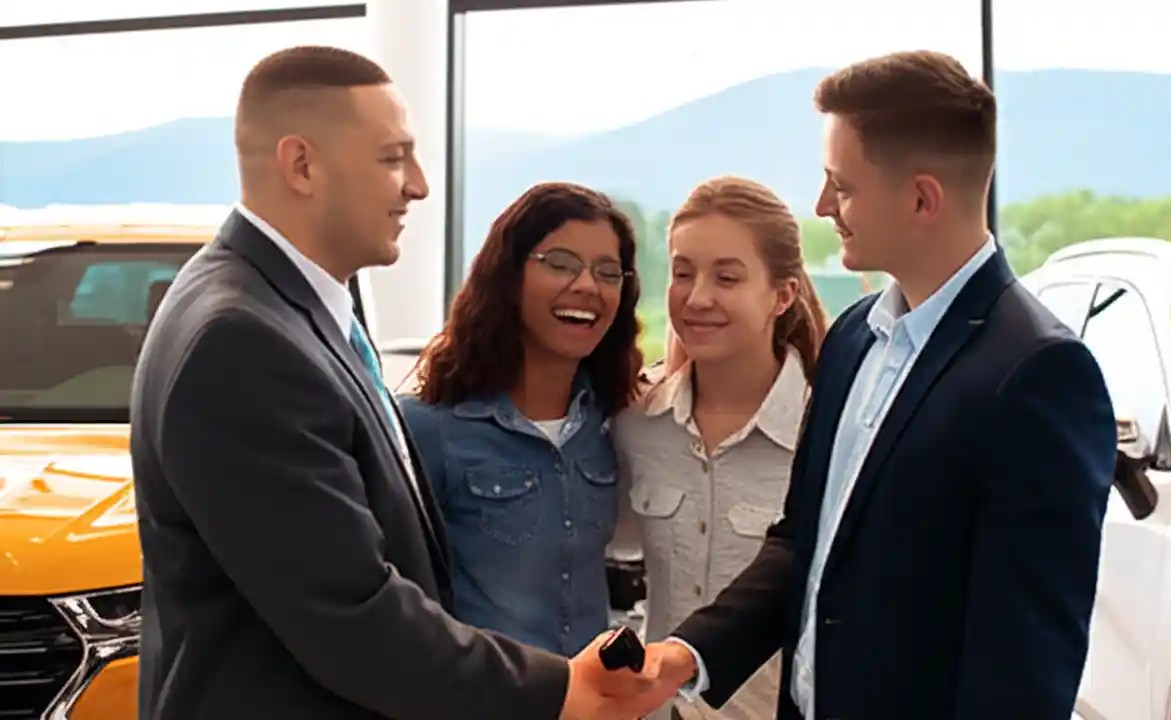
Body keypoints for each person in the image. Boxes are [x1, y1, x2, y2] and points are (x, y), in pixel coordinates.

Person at [130, 46, 659, 719]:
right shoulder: (241, 340)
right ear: (301, 165)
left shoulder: (289, 308)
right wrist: (561, 691)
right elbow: (350, 611)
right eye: (392, 158)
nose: (419, 186)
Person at [638, 50, 1118, 719]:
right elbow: (804, 542)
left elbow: (1026, 665)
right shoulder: (853, 337)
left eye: (842, 187)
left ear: (922, 199)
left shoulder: (1039, 375)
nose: (822, 206)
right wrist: (690, 655)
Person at [398, 182, 642, 656]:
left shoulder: (618, 423)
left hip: (593, 692)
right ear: (508, 276)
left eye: (607, 272)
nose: (587, 286)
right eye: (561, 264)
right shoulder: (427, 427)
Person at [613, 176, 826, 720]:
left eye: (726, 277)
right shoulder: (636, 424)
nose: (697, 297)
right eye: (683, 273)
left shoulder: (827, 433)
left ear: (782, 295)